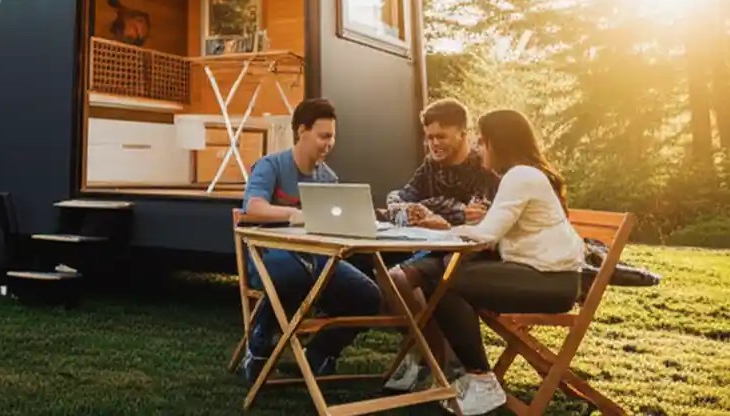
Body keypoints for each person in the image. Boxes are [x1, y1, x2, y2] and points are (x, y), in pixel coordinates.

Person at [381, 109, 585, 415]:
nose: (478, 147)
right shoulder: (521, 174)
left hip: (550, 280)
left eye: (482, 140)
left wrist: (444, 227)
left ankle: (481, 380)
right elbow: (487, 230)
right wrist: (451, 227)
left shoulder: (521, 176)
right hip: (535, 273)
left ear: (497, 143)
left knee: (448, 280)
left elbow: (486, 235)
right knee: (448, 273)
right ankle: (472, 376)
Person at [237, 97, 383, 383]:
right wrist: (296, 214)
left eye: (332, 138)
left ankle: (318, 353)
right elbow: (253, 208)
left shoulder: (328, 178)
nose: (329, 144)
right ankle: (260, 344)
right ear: (301, 131)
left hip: (318, 259)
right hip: (269, 256)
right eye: (323, 136)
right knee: (295, 275)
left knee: (369, 297)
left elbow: (333, 225)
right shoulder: (271, 166)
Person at [385, 98, 499, 229]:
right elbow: (396, 199)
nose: (434, 144)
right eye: (430, 138)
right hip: (433, 246)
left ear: (463, 134)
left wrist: (425, 208)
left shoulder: (485, 165)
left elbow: (482, 216)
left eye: (441, 137)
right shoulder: (430, 166)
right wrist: (455, 212)